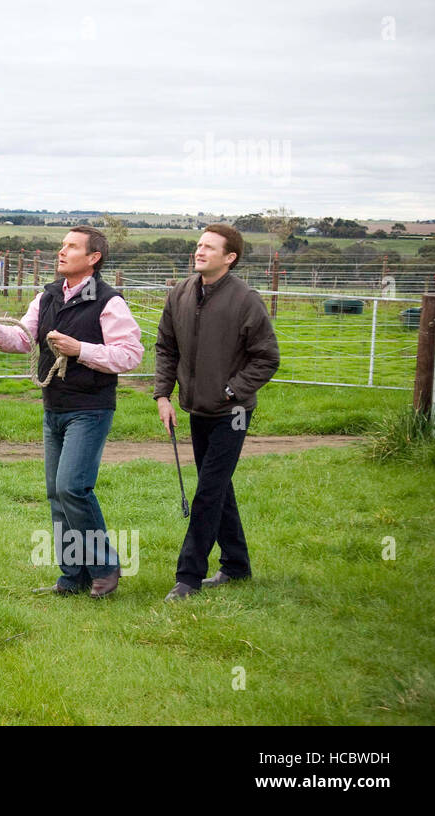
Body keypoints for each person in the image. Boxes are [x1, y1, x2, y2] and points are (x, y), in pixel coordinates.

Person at [0, 227, 144, 598]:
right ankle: (72, 577)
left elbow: (130, 355)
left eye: (71, 246)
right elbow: (21, 339)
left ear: (93, 257)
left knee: (73, 487)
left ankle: (105, 566)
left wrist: (79, 349)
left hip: (91, 408)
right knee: (56, 493)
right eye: (62, 245)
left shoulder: (109, 302)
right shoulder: (47, 296)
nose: (62, 251)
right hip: (54, 406)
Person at [153, 224, 280, 601]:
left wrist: (232, 391)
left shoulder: (245, 300)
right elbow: (165, 347)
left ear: (230, 257)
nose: (199, 251)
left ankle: (188, 577)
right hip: (196, 409)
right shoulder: (180, 293)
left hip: (233, 413)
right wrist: (163, 396)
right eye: (198, 245)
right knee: (218, 485)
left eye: (209, 247)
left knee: (207, 492)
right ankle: (237, 565)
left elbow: (267, 357)